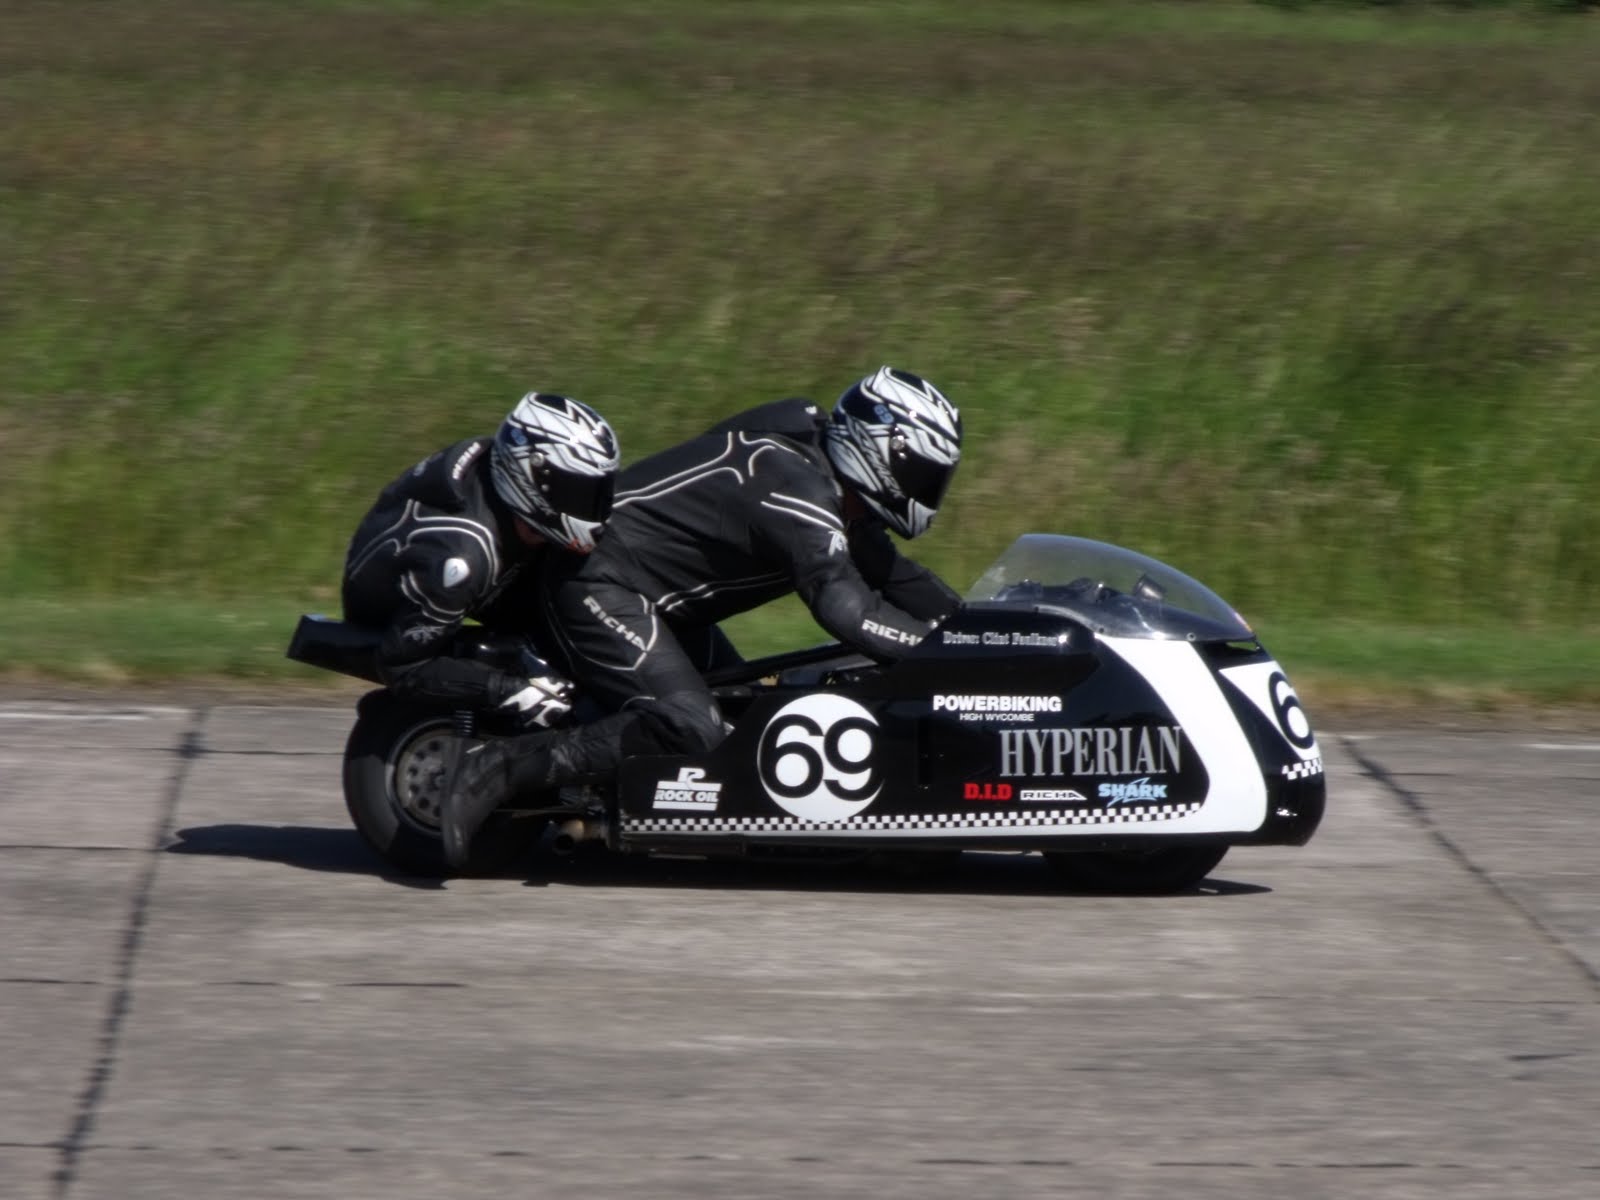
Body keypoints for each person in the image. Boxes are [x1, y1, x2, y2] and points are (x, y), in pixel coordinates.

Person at [444, 366, 964, 847]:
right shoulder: (795, 493)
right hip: (599, 584)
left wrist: (987, 631)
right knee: (691, 725)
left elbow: (897, 576)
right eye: (922, 473)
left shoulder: (827, 482)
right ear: (882, 455)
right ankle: (497, 766)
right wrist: (943, 655)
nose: (928, 489)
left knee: (742, 724)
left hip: (660, 604)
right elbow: (847, 611)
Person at [341, 389, 622, 762]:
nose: (594, 508)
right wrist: (507, 689)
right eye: (582, 493)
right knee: (553, 663)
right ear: (534, 479)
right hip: (410, 601)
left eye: (597, 493)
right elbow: (402, 665)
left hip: (441, 557)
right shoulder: (464, 558)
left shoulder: (508, 485)